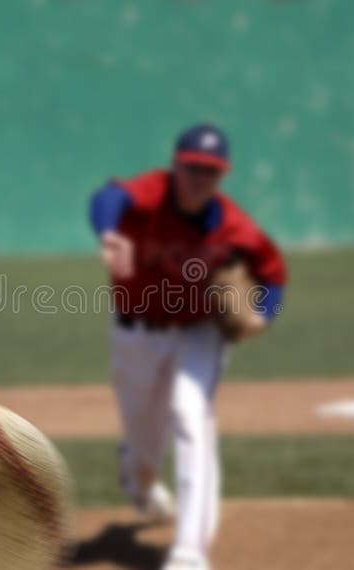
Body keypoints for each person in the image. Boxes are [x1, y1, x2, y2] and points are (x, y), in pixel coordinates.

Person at [88, 124, 287, 570]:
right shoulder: (150, 192)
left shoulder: (235, 227)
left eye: (210, 172)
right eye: (191, 167)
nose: (199, 178)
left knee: (190, 414)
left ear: (222, 176)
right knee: (143, 454)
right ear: (175, 165)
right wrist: (108, 234)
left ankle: (189, 550)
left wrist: (261, 317)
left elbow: (273, 274)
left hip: (199, 331)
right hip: (134, 332)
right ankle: (139, 478)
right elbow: (105, 199)